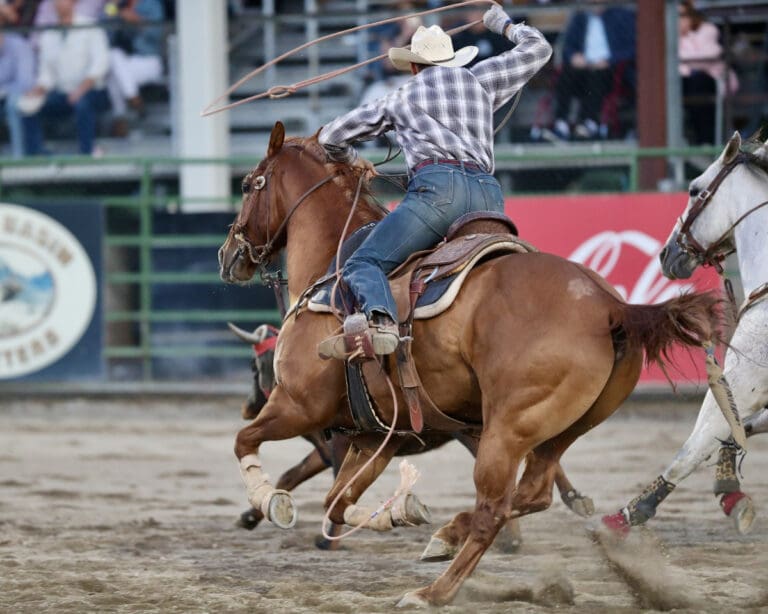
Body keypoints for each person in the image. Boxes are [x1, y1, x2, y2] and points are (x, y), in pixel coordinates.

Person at [316, 4, 552, 360]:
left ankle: (382, 324)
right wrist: (501, 24)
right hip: (489, 197)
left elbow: (331, 136)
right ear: (453, 59)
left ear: (413, 66)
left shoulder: (400, 96)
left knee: (362, 263)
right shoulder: (479, 79)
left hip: (438, 195)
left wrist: (353, 160)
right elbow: (539, 48)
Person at [21, 0, 110, 156]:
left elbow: (101, 64)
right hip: (63, 92)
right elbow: (46, 73)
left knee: (83, 104)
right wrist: (38, 89)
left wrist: (81, 90)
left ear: (72, 3)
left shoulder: (90, 26)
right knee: (29, 107)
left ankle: (87, 152)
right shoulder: (49, 34)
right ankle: (36, 153)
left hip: (92, 91)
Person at [545, 3, 635, 141]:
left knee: (597, 75)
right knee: (567, 72)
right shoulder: (580, 18)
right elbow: (568, 48)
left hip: (610, 70)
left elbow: (631, 48)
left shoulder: (620, 16)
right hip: (583, 68)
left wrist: (610, 60)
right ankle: (561, 124)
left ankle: (589, 123)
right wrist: (573, 57)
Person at [678, 0, 738, 145]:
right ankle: (696, 139)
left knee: (697, 85)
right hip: (687, 82)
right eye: (676, 16)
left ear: (692, 16)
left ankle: (706, 140)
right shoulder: (674, 36)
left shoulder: (708, 29)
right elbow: (671, 62)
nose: (678, 20)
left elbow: (708, 56)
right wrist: (686, 67)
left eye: (682, 15)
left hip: (711, 79)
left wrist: (685, 65)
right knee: (685, 86)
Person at [102, 0, 165, 137]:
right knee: (113, 56)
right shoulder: (119, 6)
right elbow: (105, 25)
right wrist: (113, 6)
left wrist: (136, 19)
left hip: (149, 60)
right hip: (126, 62)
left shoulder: (151, 4)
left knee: (114, 74)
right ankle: (133, 97)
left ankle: (120, 118)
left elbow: (156, 33)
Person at [0, 32, 34, 158]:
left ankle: (18, 155)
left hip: (22, 93)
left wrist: (4, 90)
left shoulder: (18, 45)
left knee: (13, 104)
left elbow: (26, 82)